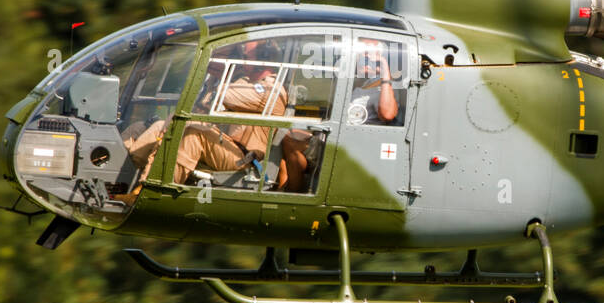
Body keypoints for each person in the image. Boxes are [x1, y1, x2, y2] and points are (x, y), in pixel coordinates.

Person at [118, 39, 285, 196]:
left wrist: (226, 72)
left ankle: (153, 192)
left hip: (242, 157)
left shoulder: (271, 89)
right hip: (226, 146)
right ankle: (117, 175)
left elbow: (225, 95)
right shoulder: (246, 83)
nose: (241, 61)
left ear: (262, 61)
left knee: (193, 134)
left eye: (245, 57)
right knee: (141, 127)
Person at [276, 37, 401, 193]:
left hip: (349, 146)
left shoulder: (382, 87)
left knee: (289, 141)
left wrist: (385, 73)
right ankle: (286, 189)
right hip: (334, 139)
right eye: (360, 55)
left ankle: (293, 194)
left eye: (366, 56)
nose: (360, 59)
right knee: (281, 135)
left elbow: (388, 114)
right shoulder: (361, 82)